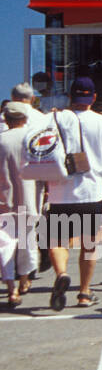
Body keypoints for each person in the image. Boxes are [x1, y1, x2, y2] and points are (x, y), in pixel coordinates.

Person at [47, 78, 102, 310]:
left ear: (69, 97)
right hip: (91, 191)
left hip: (59, 191)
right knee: (90, 244)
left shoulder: (55, 119)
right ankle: (84, 292)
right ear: (93, 97)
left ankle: (61, 273)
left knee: (56, 241)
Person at [0, 100, 40, 295]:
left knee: (5, 244)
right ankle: (24, 280)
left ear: (6, 119)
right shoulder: (32, 139)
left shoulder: (1, 140)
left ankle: (10, 288)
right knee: (27, 241)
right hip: (29, 198)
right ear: (25, 118)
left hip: (4, 200)